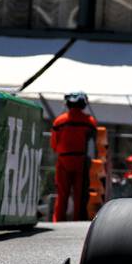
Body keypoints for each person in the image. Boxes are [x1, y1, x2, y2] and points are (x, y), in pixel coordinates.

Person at [51, 91, 99, 222]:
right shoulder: (89, 121)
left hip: (63, 159)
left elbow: (54, 143)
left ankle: (58, 220)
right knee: (79, 194)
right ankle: (77, 219)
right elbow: (95, 140)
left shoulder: (59, 121)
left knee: (62, 193)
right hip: (81, 160)